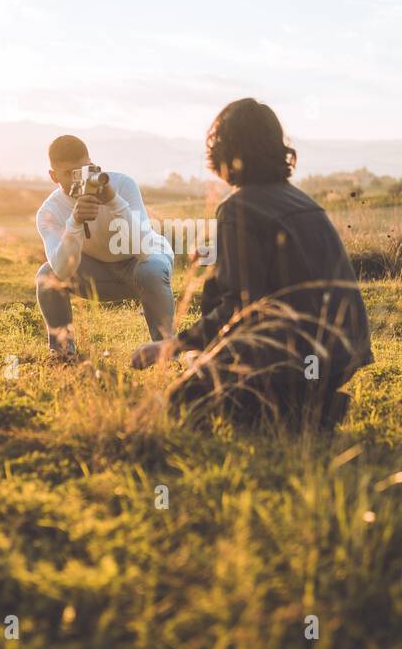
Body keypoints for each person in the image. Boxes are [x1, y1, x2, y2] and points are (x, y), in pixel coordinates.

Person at [131, 99, 373, 426]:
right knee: (208, 366)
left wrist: (170, 346)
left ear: (222, 150)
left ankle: (296, 411)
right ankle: (309, 403)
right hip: (342, 357)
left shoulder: (238, 207)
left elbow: (241, 307)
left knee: (181, 402)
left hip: (292, 356)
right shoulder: (302, 200)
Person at [36, 134, 175, 359]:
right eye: (69, 174)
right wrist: (75, 223)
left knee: (151, 268)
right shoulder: (49, 211)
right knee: (46, 274)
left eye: (83, 170)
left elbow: (144, 250)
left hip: (140, 264)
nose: (78, 179)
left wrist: (113, 201)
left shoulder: (121, 185)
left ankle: (167, 352)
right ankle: (63, 353)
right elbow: (61, 271)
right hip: (98, 273)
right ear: (53, 176)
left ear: (93, 165)